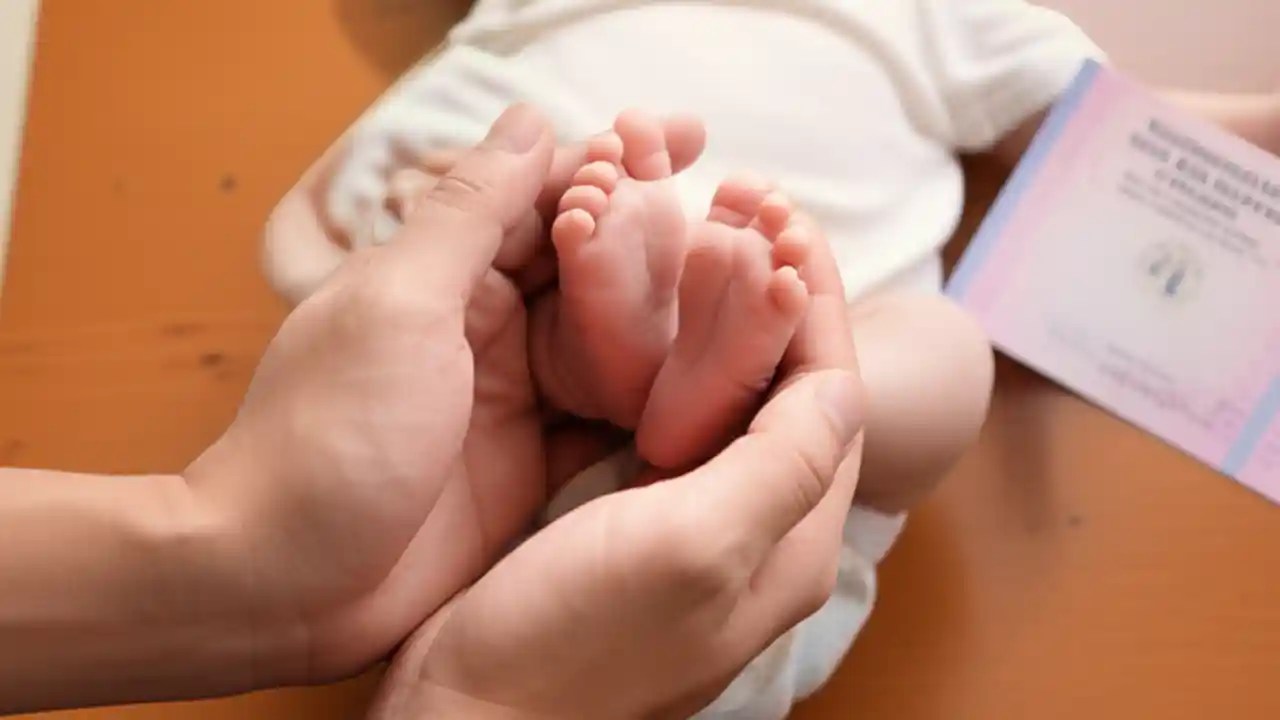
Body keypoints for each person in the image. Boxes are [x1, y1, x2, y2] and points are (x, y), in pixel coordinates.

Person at [261, 1, 1280, 715]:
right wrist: (368, 246)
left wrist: (328, 258)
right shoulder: (521, 12)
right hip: (489, 400)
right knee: (472, 245)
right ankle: (644, 362)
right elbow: (309, 220)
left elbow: (1137, 143)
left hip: (789, 454)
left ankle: (729, 380)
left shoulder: (938, 11)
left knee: (937, 353)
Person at [0, 106, 866, 720]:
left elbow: (297, 233)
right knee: (897, 358)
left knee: (912, 356)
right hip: (690, 590)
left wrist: (235, 542)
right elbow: (305, 237)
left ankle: (631, 369)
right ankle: (741, 397)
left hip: (493, 496)